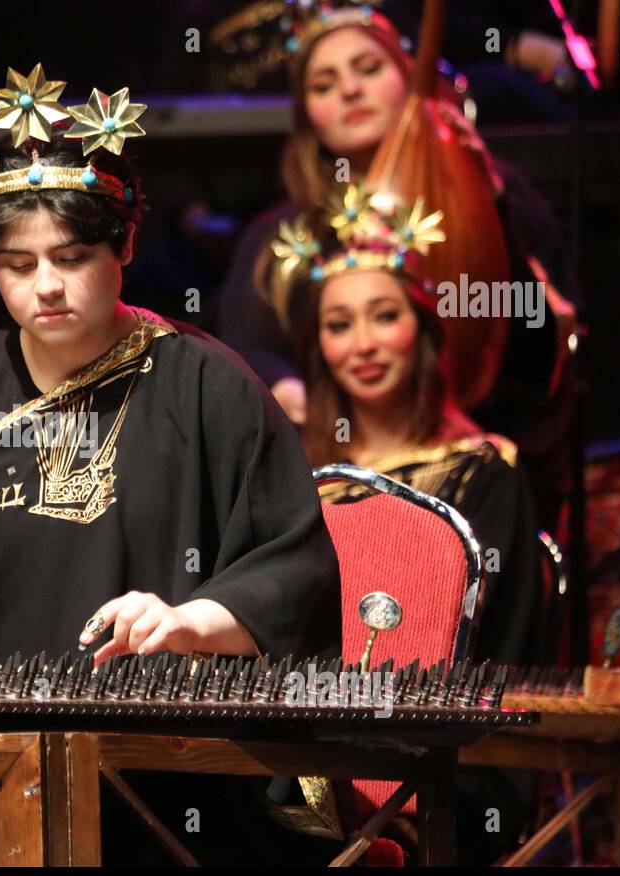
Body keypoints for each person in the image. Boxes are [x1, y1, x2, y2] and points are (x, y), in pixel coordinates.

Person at [0, 65, 343, 865]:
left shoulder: (211, 385)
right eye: (17, 263)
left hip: (173, 752)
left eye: (72, 257)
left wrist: (189, 623)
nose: (45, 286)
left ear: (126, 246)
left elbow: (297, 565)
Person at [211, 6, 576, 529]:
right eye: (324, 84)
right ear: (306, 114)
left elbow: (537, 344)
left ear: (409, 81)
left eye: (368, 69)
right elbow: (244, 350)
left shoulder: (497, 193)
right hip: (339, 481)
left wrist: (485, 202)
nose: (350, 91)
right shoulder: (279, 235)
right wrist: (287, 387)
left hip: (482, 475)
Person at [274, 185, 542, 666]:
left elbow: (494, 631)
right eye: (339, 325)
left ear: (421, 331)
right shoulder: (297, 477)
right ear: (319, 349)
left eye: (385, 317)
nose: (363, 345)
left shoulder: (482, 468)